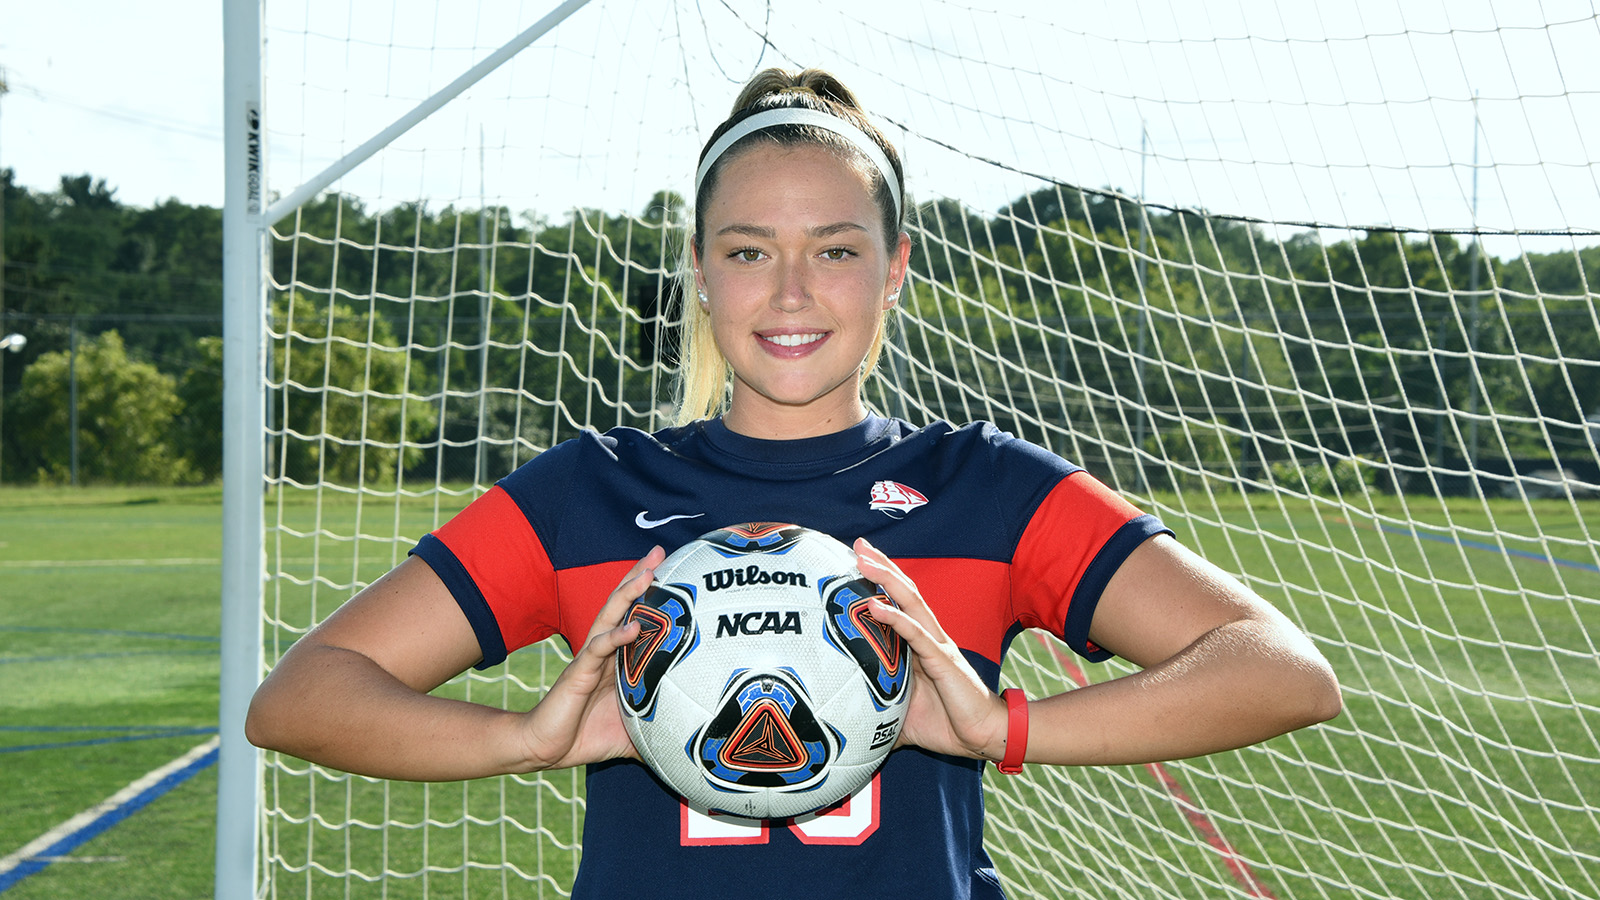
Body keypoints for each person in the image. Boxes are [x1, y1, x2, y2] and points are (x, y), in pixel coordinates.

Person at [247, 66, 1341, 898]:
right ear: (697, 267)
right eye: (746, 249)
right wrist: (527, 738)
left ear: (896, 266)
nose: (789, 292)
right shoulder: (586, 492)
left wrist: (994, 727)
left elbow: (1283, 673)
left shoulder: (986, 488)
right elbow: (298, 700)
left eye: (833, 249)